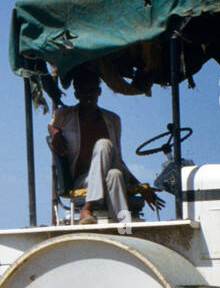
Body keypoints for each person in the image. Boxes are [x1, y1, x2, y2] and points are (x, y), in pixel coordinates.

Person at [47, 65, 163, 224]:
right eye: (84, 91)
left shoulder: (112, 120)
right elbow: (52, 125)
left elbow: (118, 159)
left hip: (108, 171)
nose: (89, 94)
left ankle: (123, 228)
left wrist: (141, 187)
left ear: (99, 92)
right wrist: (55, 133)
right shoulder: (65, 115)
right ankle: (89, 208)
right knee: (105, 149)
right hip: (83, 178)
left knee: (114, 171)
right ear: (77, 94)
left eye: (92, 90)